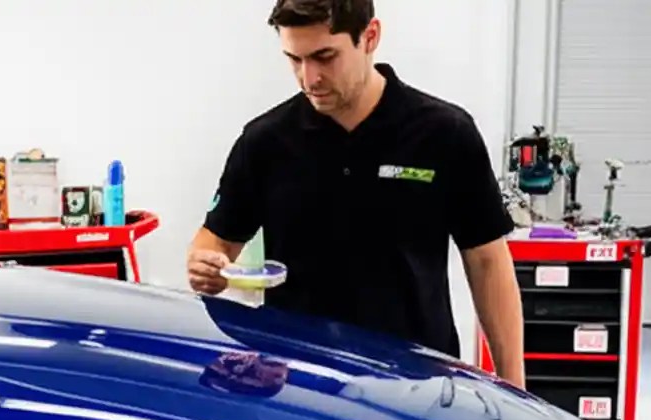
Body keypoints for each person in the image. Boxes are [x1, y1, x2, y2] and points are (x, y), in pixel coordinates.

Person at [187, 0, 526, 388]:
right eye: (294, 60)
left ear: (370, 37)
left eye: (324, 56)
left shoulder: (445, 135)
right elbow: (213, 241)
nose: (309, 77)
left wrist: (515, 389)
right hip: (299, 388)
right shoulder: (265, 143)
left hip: (416, 387)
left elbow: (487, 263)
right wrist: (205, 267)